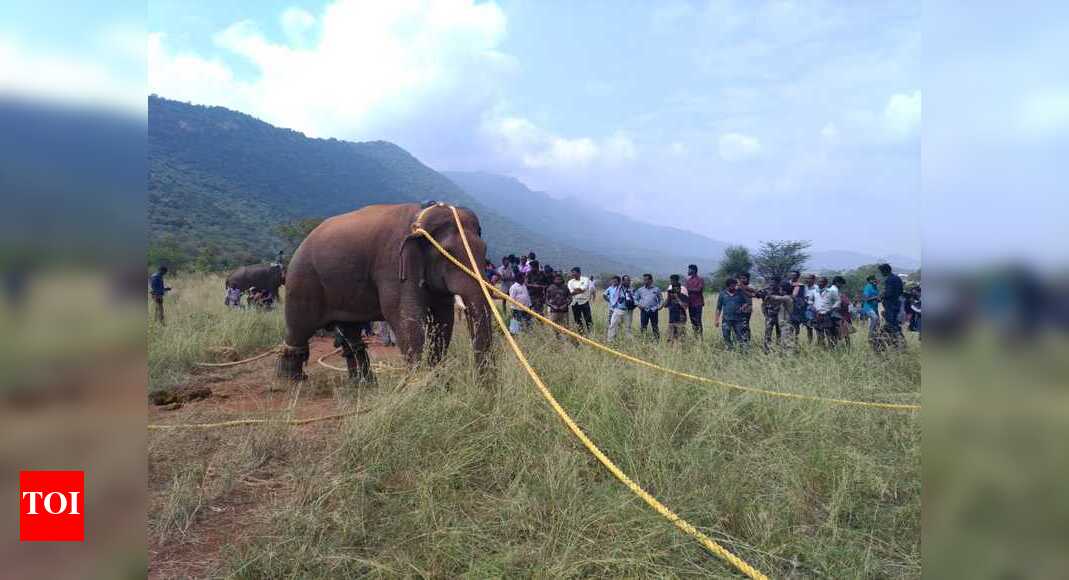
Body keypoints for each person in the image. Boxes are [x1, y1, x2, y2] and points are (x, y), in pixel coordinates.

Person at [715, 277, 749, 349]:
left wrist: (742, 308)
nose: (734, 286)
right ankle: (729, 350)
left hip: (738, 319)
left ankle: (743, 351)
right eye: (732, 285)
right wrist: (716, 320)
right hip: (726, 319)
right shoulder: (722, 294)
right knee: (726, 335)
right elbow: (718, 308)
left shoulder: (739, 294)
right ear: (728, 285)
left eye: (734, 285)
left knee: (740, 336)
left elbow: (746, 303)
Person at [878, 263, 905, 348]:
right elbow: (901, 291)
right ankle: (899, 342)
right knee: (895, 323)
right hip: (897, 304)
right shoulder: (898, 278)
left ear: (885, 271)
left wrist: (882, 296)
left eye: (881, 272)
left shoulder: (889, 280)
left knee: (891, 324)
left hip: (890, 305)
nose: (881, 274)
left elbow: (888, 293)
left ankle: (897, 342)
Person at [759, 276, 786, 352]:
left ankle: (780, 349)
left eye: (774, 282)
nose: (772, 283)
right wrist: (765, 313)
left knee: (780, 332)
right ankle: (766, 349)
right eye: (771, 281)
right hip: (769, 314)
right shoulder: (765, 290)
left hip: (780, 315)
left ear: (778, 283)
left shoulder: (782, 291)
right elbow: (757, 296)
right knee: (768, 332)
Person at [605, 275, 635, 341]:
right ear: (623, 281)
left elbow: (635, 299)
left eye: (629, 280)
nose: (627, 282)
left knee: (628, 327)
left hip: (628, 311)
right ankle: (610, 340)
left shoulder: (632, 289)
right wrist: (611, 302)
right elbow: (606, 294)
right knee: (613, 325)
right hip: (618, 309)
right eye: (626, 280)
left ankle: (629, 341)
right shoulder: (618, 288)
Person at [634, 273, 663, 339]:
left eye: (646, 280)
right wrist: (638, 305)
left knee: (655, 326)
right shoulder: (640, 290)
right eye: (644, 280)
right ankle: (643, 340)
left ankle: (657, 341)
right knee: (643, 326)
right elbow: (635, 299)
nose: (645, 281)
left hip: (654, 310)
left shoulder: (656, 289)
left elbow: (661, 299)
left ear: (651, 280)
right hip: (644, 310)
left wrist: (660, 306)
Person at [813, 276, 840, 347]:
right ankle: (821, 347)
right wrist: (813, 308)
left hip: (827, 314)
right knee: (819, 332)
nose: (820, 283)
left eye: (822, 282)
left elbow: (838, 301)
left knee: (829, 332)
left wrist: (832, 309)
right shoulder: (814, 292)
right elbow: (810, 301)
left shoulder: (831, 291)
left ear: (826, 283)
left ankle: (831, 347)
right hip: (817, 314)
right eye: (819, 282)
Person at [545, 272, 573, 338]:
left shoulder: (565, 287)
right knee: (554, 326)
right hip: (554, 311)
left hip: (564, 311)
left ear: (562, 280)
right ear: (554, 280)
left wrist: (566, 305)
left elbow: (570, 298)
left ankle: (565, 338)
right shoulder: (550, 288)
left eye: (560, 279)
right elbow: (546, 300)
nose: (558, 281)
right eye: (557, 279)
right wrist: (552, 306)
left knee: (565, 326)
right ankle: (556, 338)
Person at [567, 267, 594, 334]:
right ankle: (581, 334)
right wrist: (579, 290)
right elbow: (570, 292)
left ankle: (590, 333)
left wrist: (576, 290)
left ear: (579, 273)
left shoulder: (585, 279)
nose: (572, 274)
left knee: (588, 319)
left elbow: (583, 289)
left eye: (574, 272)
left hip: (584, 302)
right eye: (572, 272)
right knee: (577, 320)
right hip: (574, 303)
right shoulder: (570, 282)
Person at [665, 274, 689, 342]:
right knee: (670, 338)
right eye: (673, 288)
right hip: (672, 317)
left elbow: (685, 307)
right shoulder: (670, 293)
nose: (674, 289)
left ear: (679, 288)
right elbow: (666, 305)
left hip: (680, 317)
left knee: (680, 337)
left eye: (676, 288)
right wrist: (668, 298)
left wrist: (677, 298)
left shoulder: (683, 293)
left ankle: (681, 350)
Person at [685, 265, 705, 337]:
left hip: (698, 303)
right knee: (693, 321)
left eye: (689, 270)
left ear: (693, 270)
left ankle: (701, 337)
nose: (688, 271)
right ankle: (695, 337)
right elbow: (686, 291)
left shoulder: (700, 279)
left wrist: (689, 289)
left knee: (698, 321)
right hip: (690, 303)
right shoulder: (688, 280)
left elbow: (699, 290)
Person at [833, 275, 852, 346]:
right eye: (841, 283)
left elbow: (847, 303)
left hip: (844, 315)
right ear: (837, 283)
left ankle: (847, 348)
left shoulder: (840, 293)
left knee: (845, 334)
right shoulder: (833, 291)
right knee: (837, 334)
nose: (841, 285)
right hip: (838, 315)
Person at [803, 273, 818, 344]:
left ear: (813, 280)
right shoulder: (803, 287)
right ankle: (809, 343)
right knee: (808, 327)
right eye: (806, 278)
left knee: (817, 327)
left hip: (815, 310)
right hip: (805, 310)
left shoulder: (817, 288)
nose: (807, 280)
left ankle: (820, 343)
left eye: (809, 278)